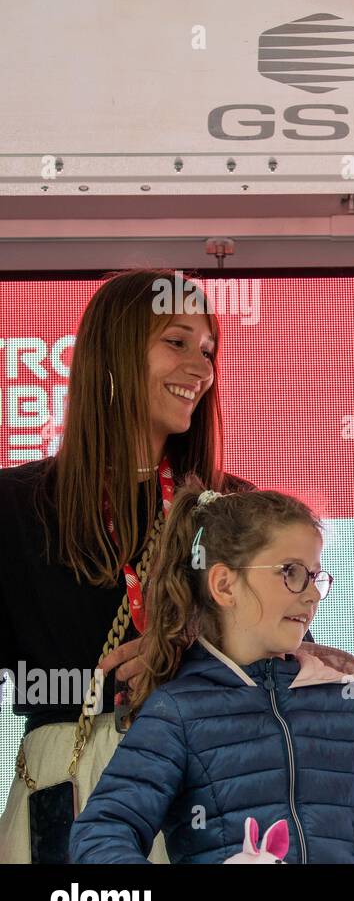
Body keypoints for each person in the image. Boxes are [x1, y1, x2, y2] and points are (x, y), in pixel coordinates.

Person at [0, 268, 257, 863]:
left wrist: (196, 658)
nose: (202, 369)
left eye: (208, 349)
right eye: (177, 342)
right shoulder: (13, 506)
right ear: (112, 353)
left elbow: (286, 674)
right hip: (64, 794)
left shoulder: (236, 512)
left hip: (203, 789)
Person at [69, 479, 354, 863]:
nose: (311, 593)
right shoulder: (178, 711)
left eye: (316, 576)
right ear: (224, 585)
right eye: (291, 571)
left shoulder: (348, 702)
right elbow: (102, 832)